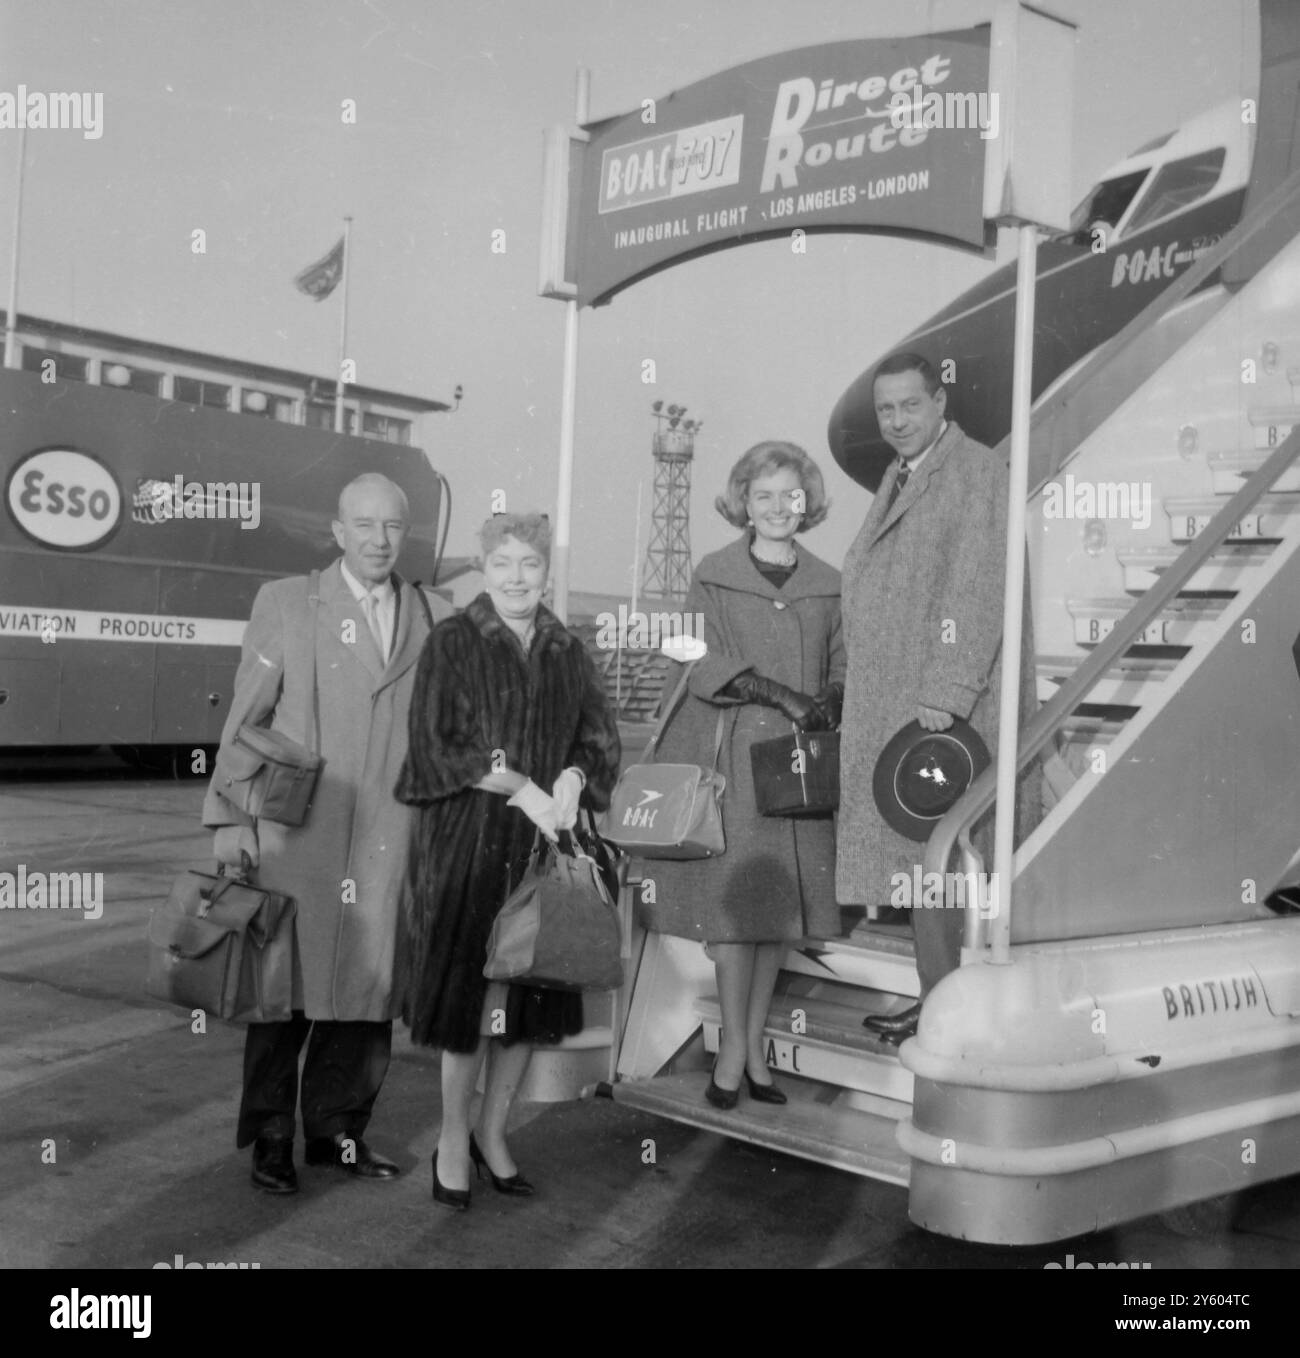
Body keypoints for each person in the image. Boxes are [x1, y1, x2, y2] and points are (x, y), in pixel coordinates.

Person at [204, 472, 452, 1193]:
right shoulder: (288, 602)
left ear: (407, 535)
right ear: (338, 532)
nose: (378, 540)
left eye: (392, 527)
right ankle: (273, 1139)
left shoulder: (433, 614)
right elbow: (246, 717)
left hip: (392, 834)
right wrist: (230, 819)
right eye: (364, 525)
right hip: (299, 832)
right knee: (285, 993)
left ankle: (339, 1134)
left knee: (370, 991)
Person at [395, 512, 621, 1210]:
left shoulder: (564, 646)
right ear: (482, 568)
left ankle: (495, 1132)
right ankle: (454, 1140)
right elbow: (436, 744)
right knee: (472, 1000)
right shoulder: (454, 640)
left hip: (540, 847)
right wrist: (521, 786)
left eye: (529, 564)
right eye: (503, 564)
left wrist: (577, 779)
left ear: (547, 571)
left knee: (532, 995)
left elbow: (598, 735)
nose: (517, 578)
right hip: (469, 841)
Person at [837, 352, 1040, 1045]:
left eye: (909, 406)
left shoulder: (976, 472)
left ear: (940, 402)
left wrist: (947, 689)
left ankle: (947, 1006)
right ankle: (938, 999)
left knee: (945, 861)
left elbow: (979, 586)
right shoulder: (903, 475)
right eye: (885, 410)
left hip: (941, 705)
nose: (896, 421)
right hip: (902, 696)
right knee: (928, 864)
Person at [638, 441, 845, 1108]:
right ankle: (731, 1052)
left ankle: (755, 1050)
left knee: (776, 917)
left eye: (791, 495)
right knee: (734, 920)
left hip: (800, 767)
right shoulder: (715, 572)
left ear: (808, 502)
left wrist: (829, 699)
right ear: (744, 505)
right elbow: (689, 652)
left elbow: (846, 662)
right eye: (764, 496)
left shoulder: (829, 579)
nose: (779, 507)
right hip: (734, 763)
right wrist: (775, 692)